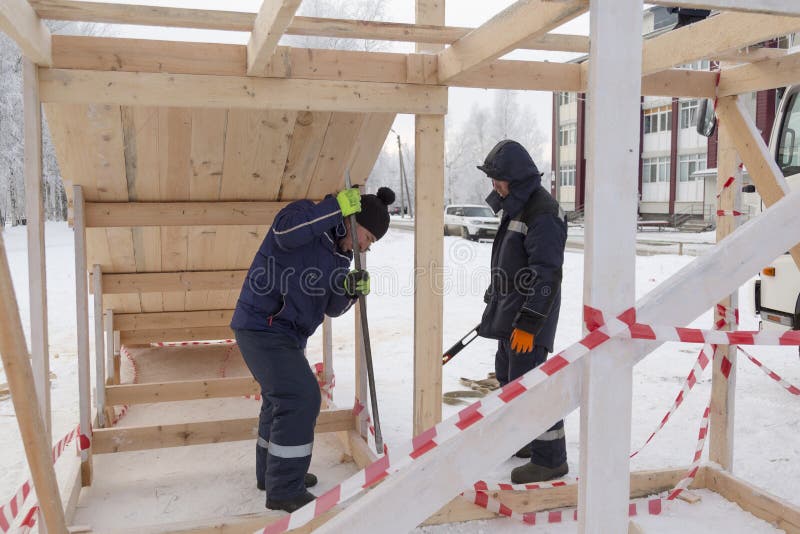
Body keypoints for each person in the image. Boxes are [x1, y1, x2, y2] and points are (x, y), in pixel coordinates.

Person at [230, 186, 395, 512]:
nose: (365, 247)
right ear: (353, 220)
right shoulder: (305, 216)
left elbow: (331, 306)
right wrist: (335, 207)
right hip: (261, 325)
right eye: (367, 238)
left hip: (287, 337)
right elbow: (285, 234)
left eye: (370, 245)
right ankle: (284, 489)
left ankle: (272, 474)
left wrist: (350, 291)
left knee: (279, 401)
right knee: (301, 395)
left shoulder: (340, 255)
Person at [476, 140, 569, 484]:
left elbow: (546, 273)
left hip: (531, 319)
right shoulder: (518, 205)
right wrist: (496, 294)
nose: (494, 186)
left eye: (498, 179)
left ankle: (550, 459)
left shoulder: (541, 212)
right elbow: (513, 262)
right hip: (511, 313)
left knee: (531, 386)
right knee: (508, 376)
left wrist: (530, 322)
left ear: (514, 178)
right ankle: (528, 440)